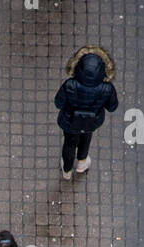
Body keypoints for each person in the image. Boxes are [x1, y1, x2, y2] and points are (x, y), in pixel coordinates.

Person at [54, 47, 118, 180]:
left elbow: (58, 103)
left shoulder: (70, 85)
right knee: (86, 137)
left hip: (70, 121)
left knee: (70, 142)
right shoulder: (107, 88)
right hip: (92, 121)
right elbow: (112, 107)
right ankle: (82, 163)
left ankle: (67, 170)